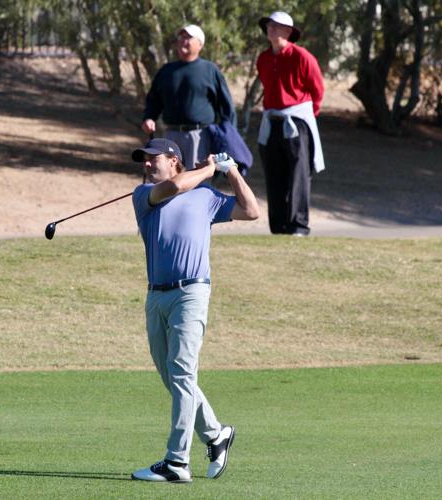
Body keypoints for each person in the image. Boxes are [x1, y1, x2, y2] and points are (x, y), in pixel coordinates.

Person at [128, 138, 260, 483]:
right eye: (143, 160)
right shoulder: (144, 195)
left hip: (192, 293)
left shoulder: (206, 197)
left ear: (173, 159)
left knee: (183, 373)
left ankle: (176, 462)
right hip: (156, 297)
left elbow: (251, 210)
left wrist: (230, 172)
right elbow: (174, 186)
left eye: (151, 159)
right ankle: (216, 435)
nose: (145, 165)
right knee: (172, 377)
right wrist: (210, 168)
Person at [255, 11, 325, 236]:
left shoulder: (302, 57)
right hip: (272, 121)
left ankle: (298, 225)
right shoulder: (263, 58)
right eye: (269, 26)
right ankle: (278, 226)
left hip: (296, 122)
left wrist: (306, 116)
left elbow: (317, 90)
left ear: (288, 31)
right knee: (274, 173)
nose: (272, 29)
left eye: (277, 26)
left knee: (299, 174)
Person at [141, 24, 236, 171]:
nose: (183, 41)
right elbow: (154, 99)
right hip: (170, 135)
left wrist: (228, 137)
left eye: (188, 37)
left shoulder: (210, 70)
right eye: (181, 37)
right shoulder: (167, 71)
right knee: (169, 181)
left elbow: (226, 106)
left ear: (200, 44)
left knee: (196, 183)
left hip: (199, 136)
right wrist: (149, 117)